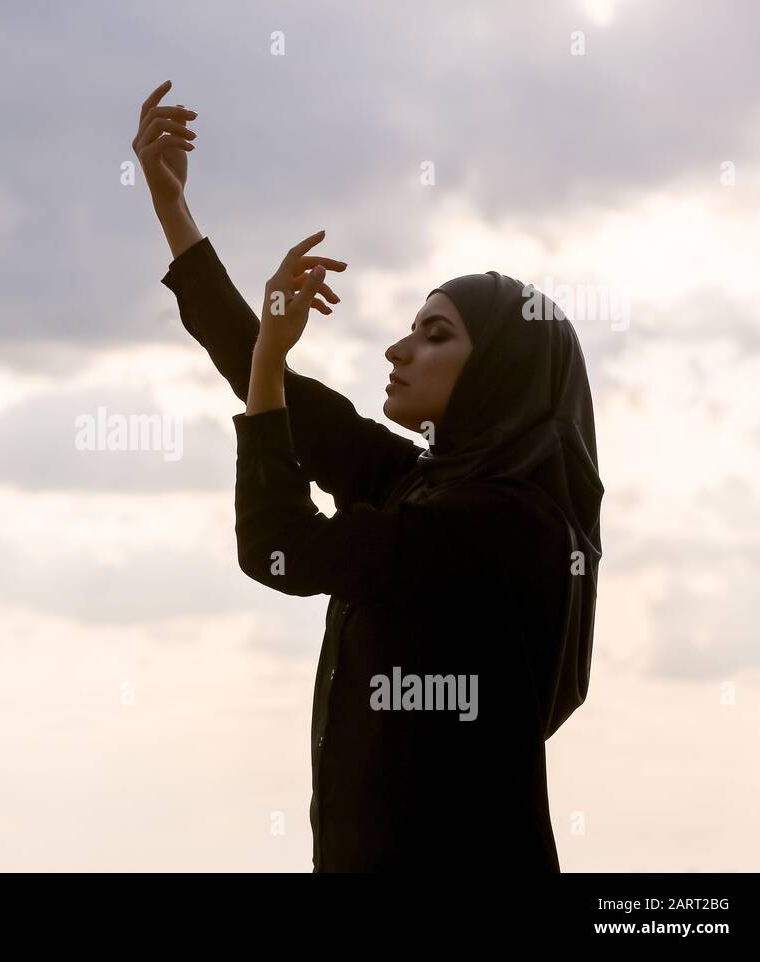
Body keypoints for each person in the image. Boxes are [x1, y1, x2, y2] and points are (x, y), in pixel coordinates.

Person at [136, 81, 604, 872]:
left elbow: (279, 548)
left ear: (500, 372)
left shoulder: (496, 524)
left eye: (434, 335)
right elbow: (285, 395)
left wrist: (266, 369)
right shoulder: (423, 487)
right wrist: (173, 209)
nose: (397, 349)